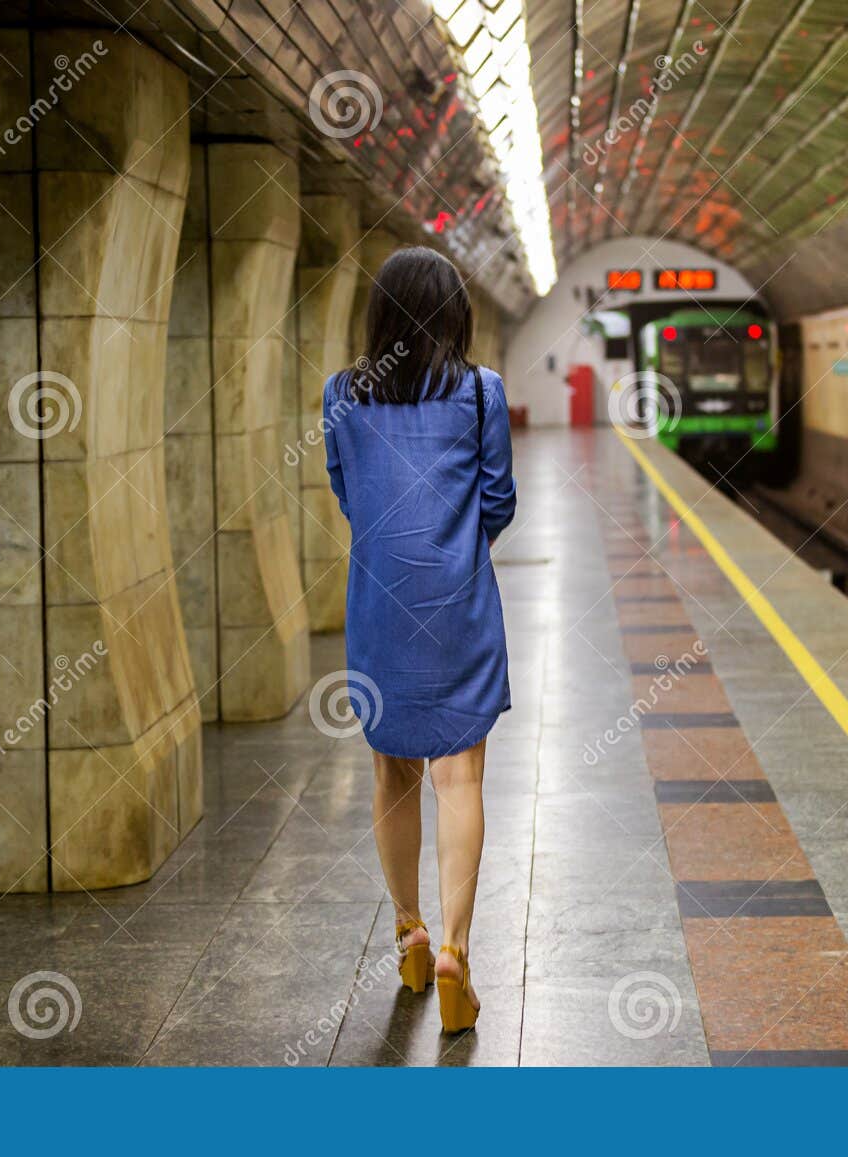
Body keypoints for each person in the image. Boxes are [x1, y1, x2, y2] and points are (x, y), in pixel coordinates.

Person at [322, 245, 517, 1033]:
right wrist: (456, 548)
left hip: (379, 606)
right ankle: (457, 952)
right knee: (459, 778)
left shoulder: (342, 394)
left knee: (391, 772)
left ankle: (409, 928)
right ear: (455, 317)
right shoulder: (480, 393)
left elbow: (346, 489)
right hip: (458, 606)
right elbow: (499, 499)